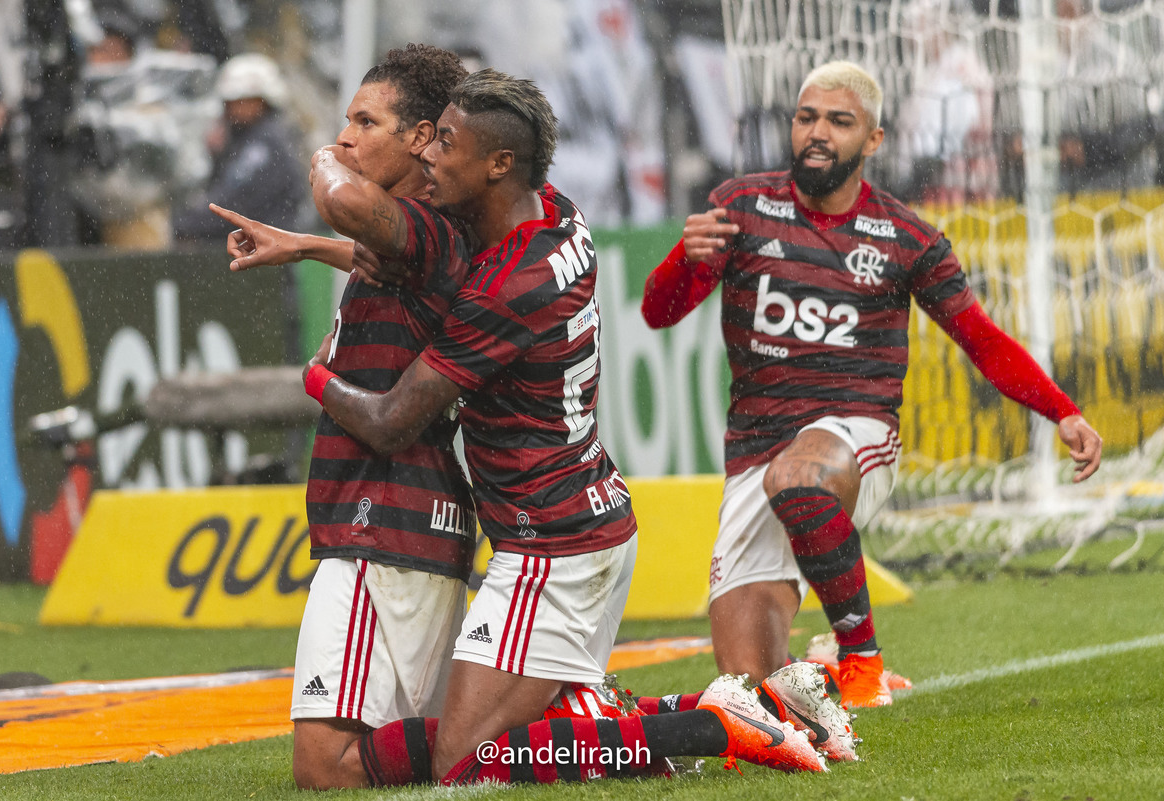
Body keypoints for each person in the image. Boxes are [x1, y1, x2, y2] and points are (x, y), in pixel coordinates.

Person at [301, 67, 835, 786]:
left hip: (550, 544)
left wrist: (313, 377)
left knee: (467, 761)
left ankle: (713, 724)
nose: (429, 154)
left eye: (447, 142)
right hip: (581, 520)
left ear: (497, 164)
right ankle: (765, 701)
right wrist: (310, 246)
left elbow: (393, 420)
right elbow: (425, 255)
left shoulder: (508, 289)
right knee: (512, 725)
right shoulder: (556, 214)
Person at [640, 60, 1103, 709]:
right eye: (807, 118)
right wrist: (680, 261)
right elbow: (658, 312)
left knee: (798, 477)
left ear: (873, 140)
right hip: (754, 449)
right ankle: (824, 672)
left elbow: (982, 339)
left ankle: (861, 657)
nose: (818, 133)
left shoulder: (908, 237)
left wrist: (1063, 412)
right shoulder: (742, 206)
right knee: (750, 690)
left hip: (855, 439)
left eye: (839, 120)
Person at [217, 44, 475, 790]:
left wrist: (323, 163)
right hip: (409, 526)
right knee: (416, 756)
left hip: (383, 519)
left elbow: (353, 204)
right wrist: (304, 245)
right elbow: (376, 246)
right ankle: (578, 727)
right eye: (345, 122)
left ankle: (586, 731)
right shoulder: (424, 233)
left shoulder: (424, 224)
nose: (348, 136)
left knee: (326, 768)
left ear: (422, 138)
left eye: (366, 121)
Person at [173, 52, 306, 242]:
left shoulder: (265, 144)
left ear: (264, 101)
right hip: (255, 253)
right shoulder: (244, 140)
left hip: (265, 259)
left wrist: (182, 223)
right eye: (231, 101)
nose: (235, 107)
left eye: (245, 99)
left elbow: (233, 204)